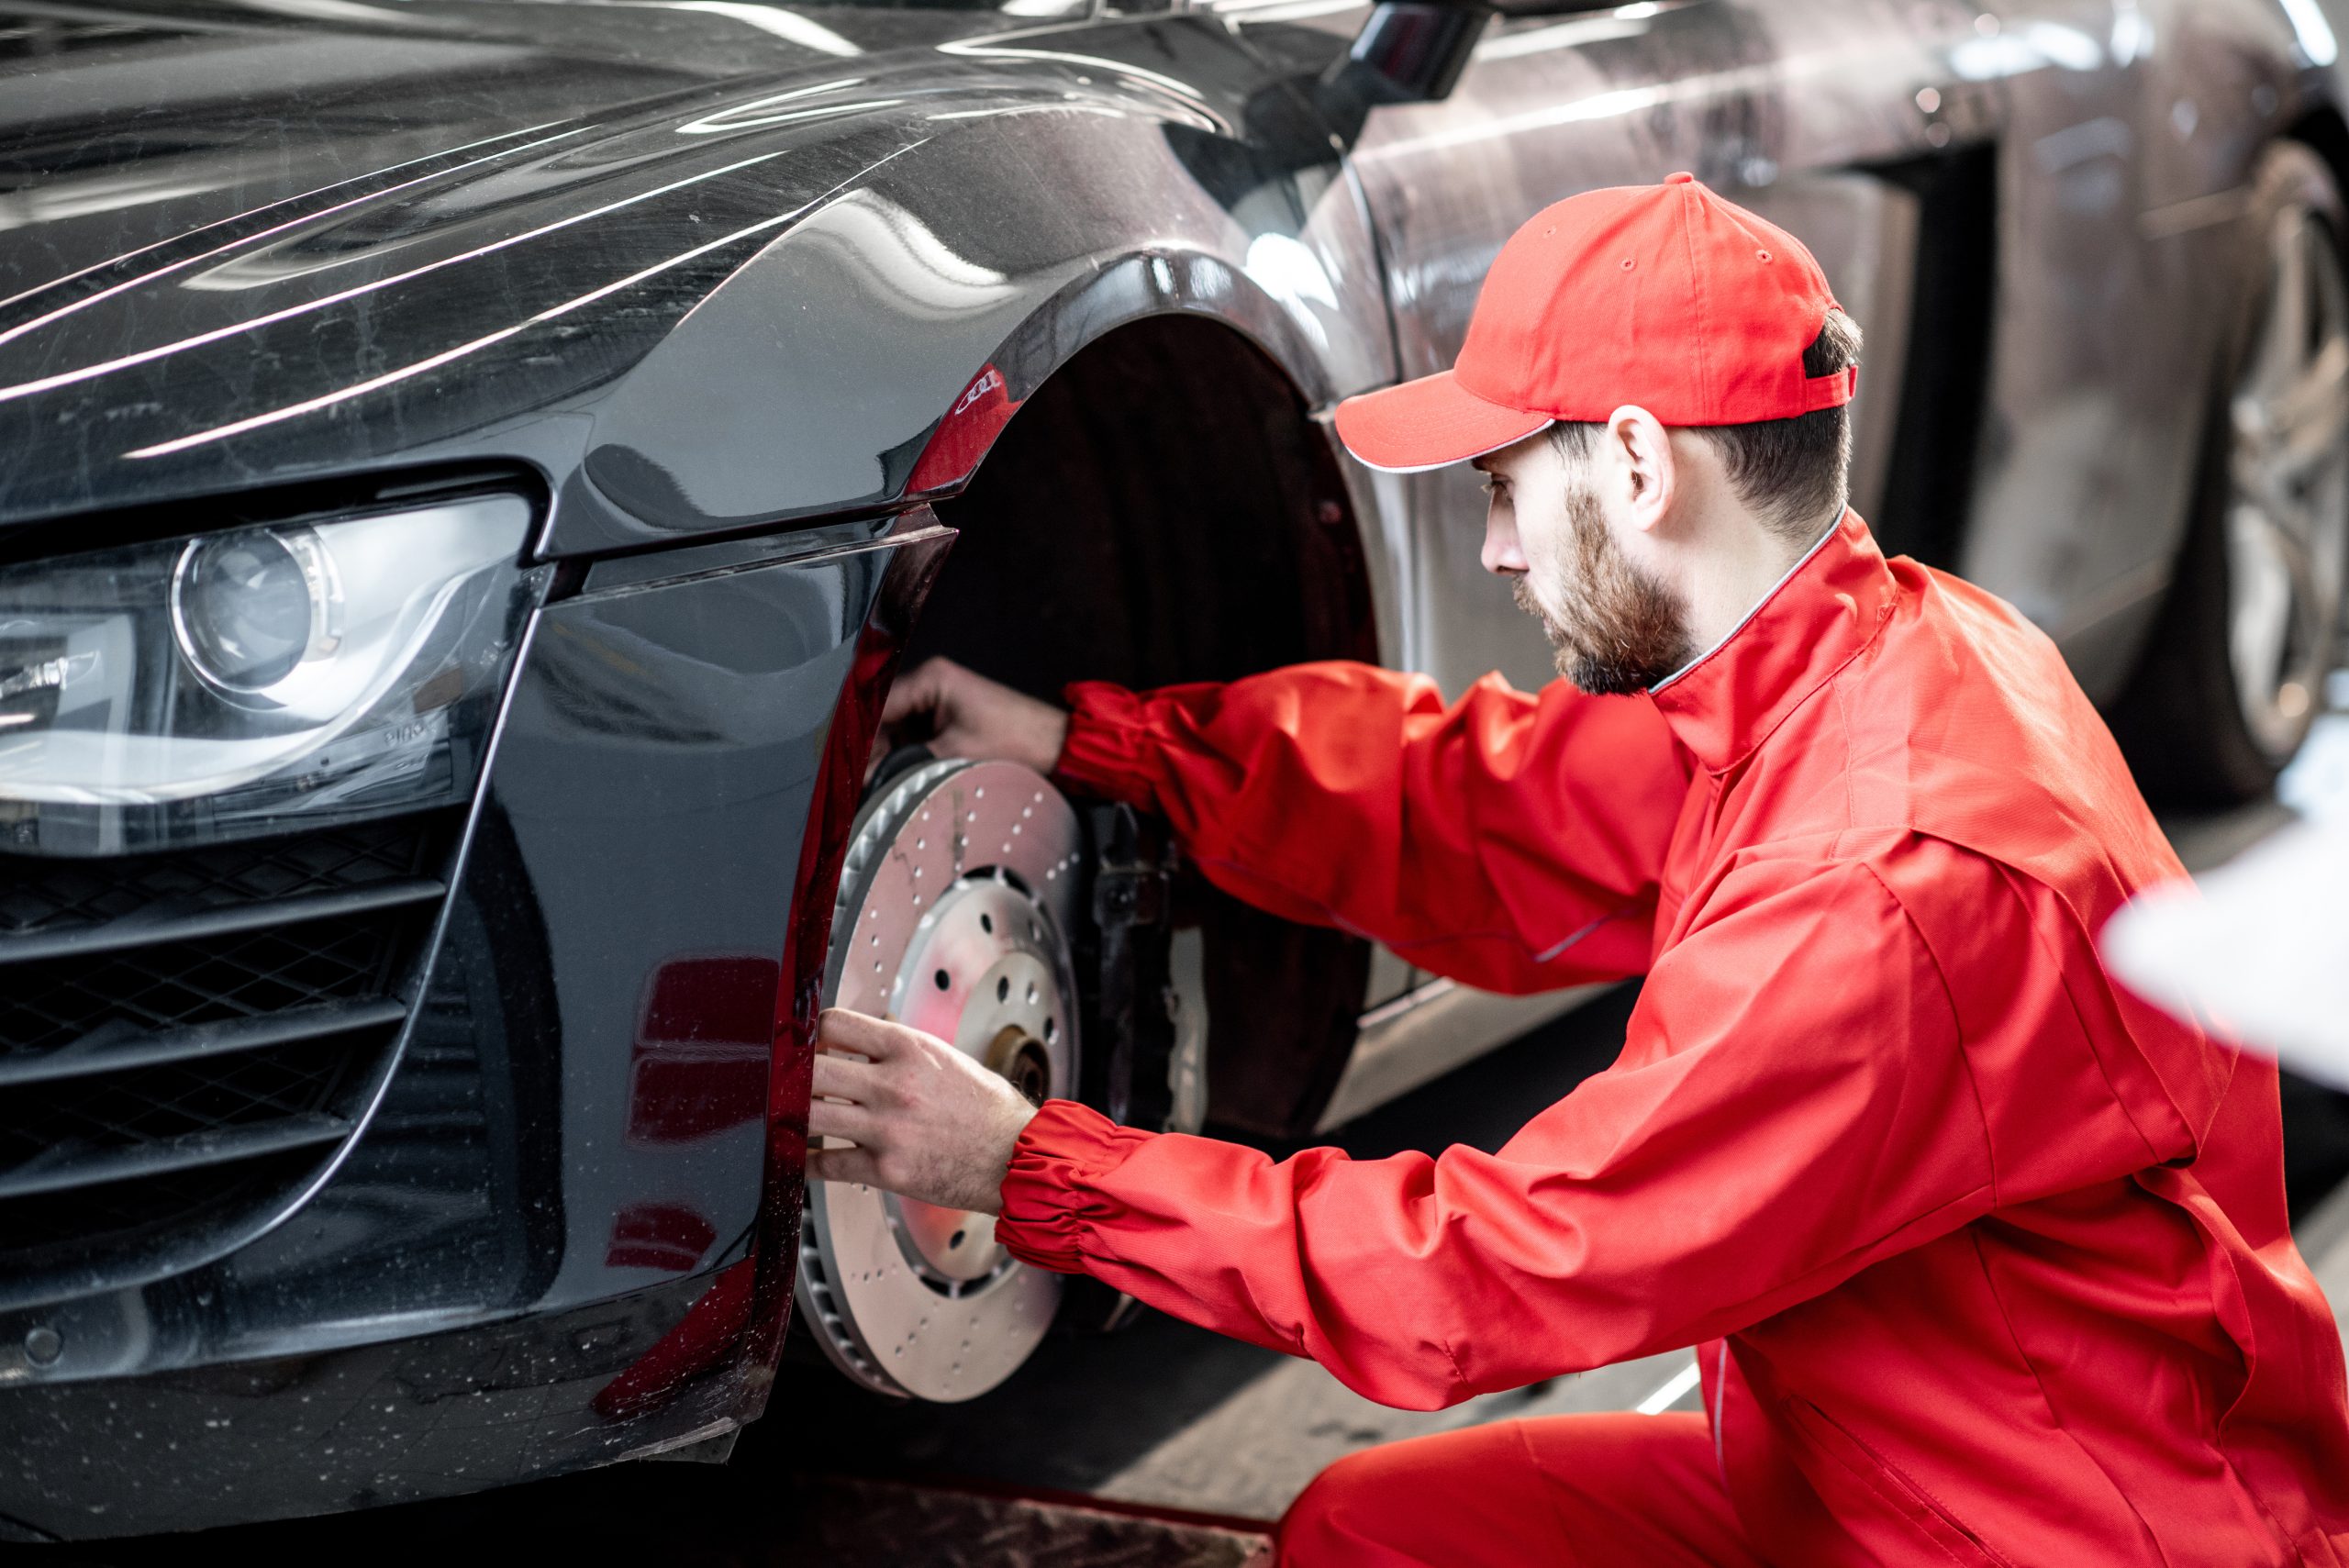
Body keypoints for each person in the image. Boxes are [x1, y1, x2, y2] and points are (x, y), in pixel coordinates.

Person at [805, 175, 2349, 1565]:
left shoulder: (1884, 879)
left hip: (2054, 1537)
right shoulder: (1863, 660)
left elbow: (1489, 1272)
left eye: (1500, 487)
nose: (1494, 551)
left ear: (1630, 462)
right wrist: (1104, 738)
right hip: (1891, 1463)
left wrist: (1035, 1170)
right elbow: (1485, 804)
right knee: (1371, 1533)